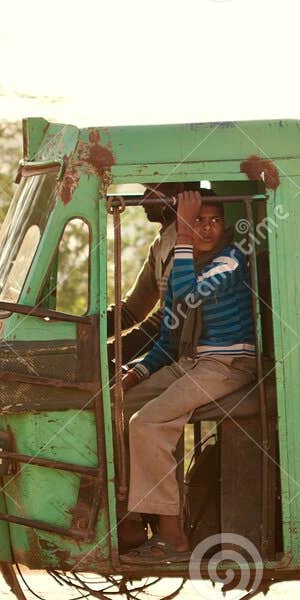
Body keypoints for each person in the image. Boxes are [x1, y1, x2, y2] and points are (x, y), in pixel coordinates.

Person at [119, 191, 257, 563]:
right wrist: (136, 373)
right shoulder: (183, 266)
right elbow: (168, 340)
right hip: (192, 362)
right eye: (198, 221)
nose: (207, 229)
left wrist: (182, 231)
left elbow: (189, 296)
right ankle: (130, 520)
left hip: (227, 365)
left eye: (214, 221)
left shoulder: (230, 261)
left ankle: (172, 537)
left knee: (147, 423)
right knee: (115, 407)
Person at [110, 182, 189, 360]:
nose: (143, 199)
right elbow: (132, 310)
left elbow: (165, 319)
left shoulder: (190, 245)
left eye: (152, 191)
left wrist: (110, 352)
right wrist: (86, 328)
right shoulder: (159, 245)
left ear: (177, 191)